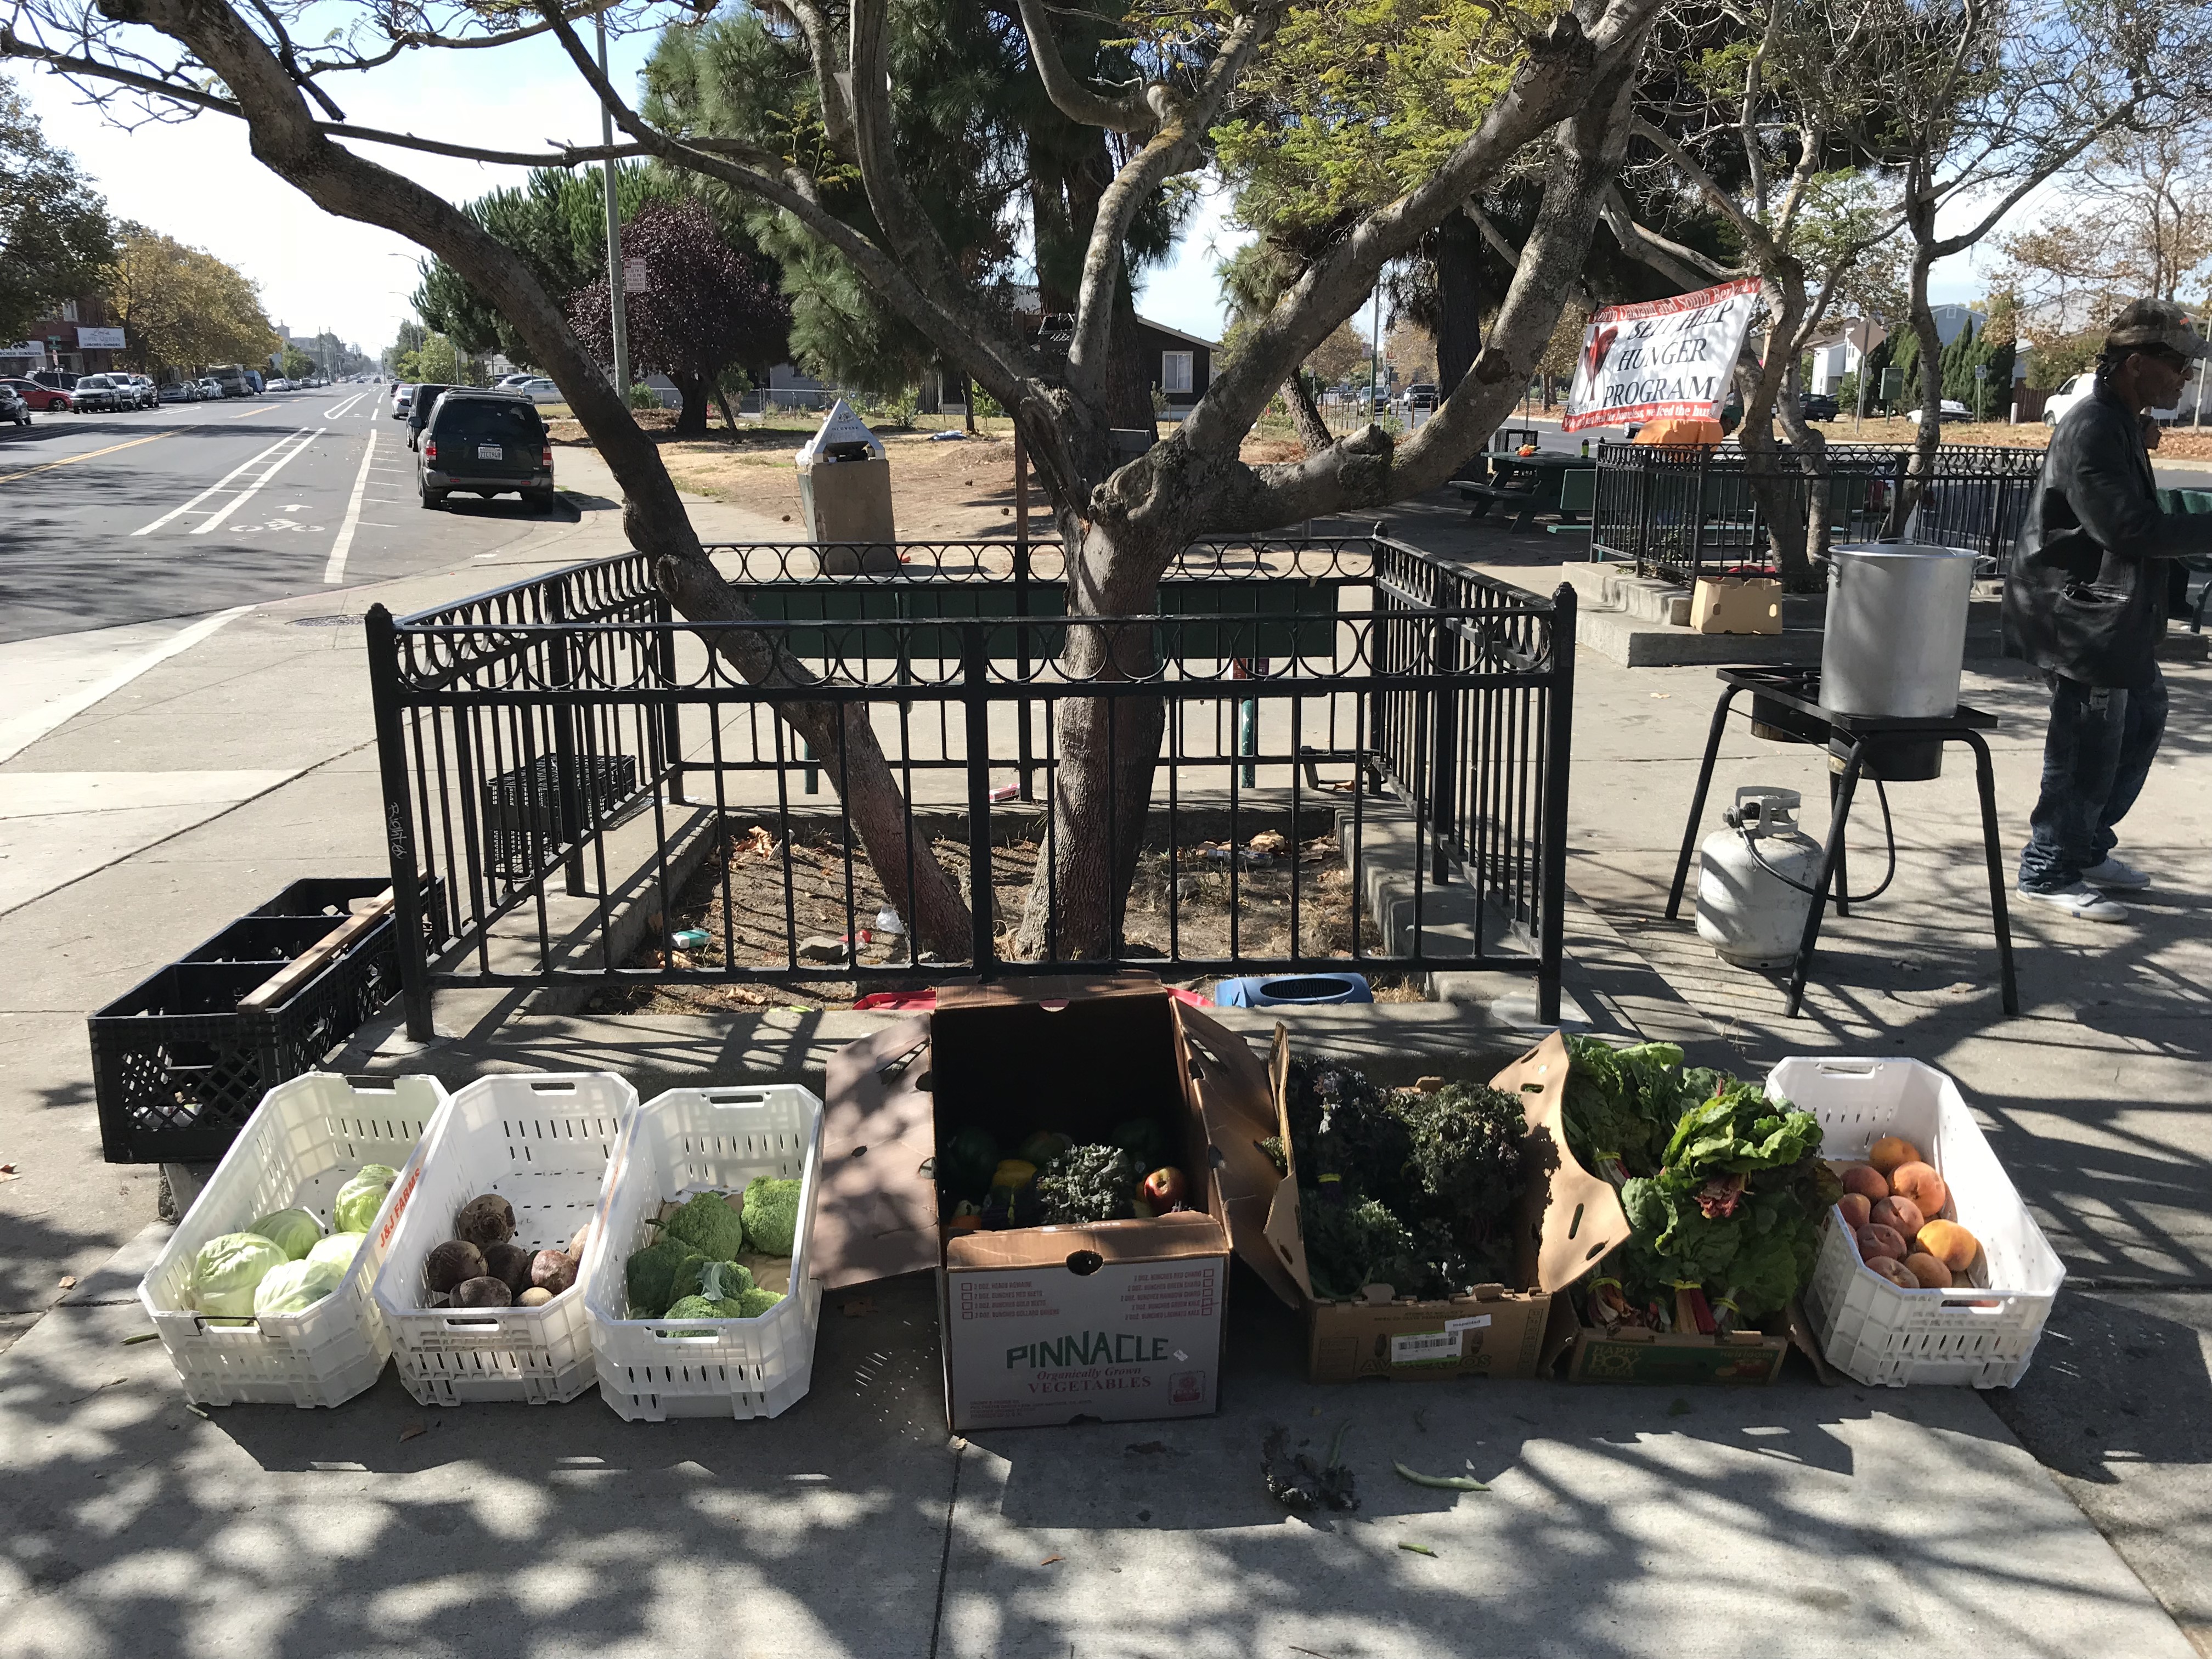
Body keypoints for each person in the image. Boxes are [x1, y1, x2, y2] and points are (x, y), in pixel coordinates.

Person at [2003, 298, 2212, 921]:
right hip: (2077, 615)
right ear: (2136, 362)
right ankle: (2049, 868)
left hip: (2111, 615)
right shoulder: (2093, 425)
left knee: (2144, 716)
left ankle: (2087, 845)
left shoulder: (2121, 420)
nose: (2186, 378)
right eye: (2176, 364)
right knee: (2086, 744)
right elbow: (2127, 528)